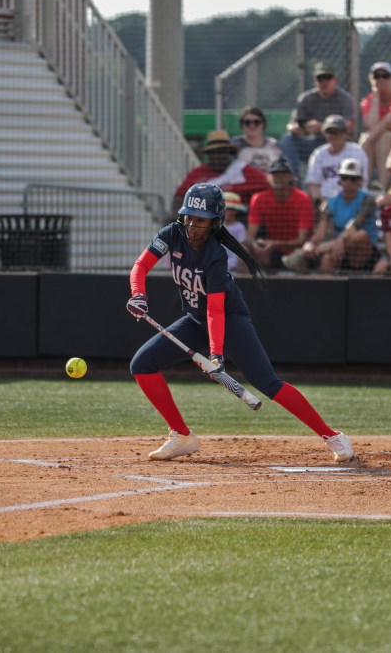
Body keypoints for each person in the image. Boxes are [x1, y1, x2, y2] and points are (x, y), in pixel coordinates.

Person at [126, 183, 354, 462]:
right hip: (195, 320)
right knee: (142, 364)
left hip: (229, 321)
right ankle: (181, 435)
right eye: (188, 218)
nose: (192, 226)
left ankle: (333, 436)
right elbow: (141, 266)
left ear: (215, 222)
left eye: (200, 220)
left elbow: (216, 310)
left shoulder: (216, 256)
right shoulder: (171, 234)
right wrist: (138, 294)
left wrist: (216, 354)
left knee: (267, 383)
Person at [284, 158, 378, 274]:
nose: (348, 182)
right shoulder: (330, 203)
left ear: (360, 181)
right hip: (339, 250)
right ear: (340, 181)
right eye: (345, 178)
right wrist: (310, 245)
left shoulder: (368, 200)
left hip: (364, 253)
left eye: (353, 178)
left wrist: (336, 241)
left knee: (361, 235)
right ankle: (325, 289)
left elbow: (355, 224)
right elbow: (320, 234)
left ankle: (313, 252)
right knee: (327, 258)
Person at [279, 62, 357, 182]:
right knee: (288, 139)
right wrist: (303, 128)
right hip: (312, 143)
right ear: (315, 81)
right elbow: (291, 125)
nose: (324, 82)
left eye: (328, 77)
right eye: (320, 78)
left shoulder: (345, 98)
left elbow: (350, 125)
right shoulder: (306, 98)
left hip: (337, 143)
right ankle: (293, 181)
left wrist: (323, 127)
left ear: (335, 79)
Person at [173, 130, 269, 213]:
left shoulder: (243, 171)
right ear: (209, 155)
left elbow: (268, 187)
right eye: (214, 153)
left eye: (222, 152)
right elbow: (179, 197)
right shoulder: (198, 173)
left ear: (229, 153)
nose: (218, 157)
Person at [246, 158, 315, 271]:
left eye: (283, 174)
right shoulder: (258, 199)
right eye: (275, 174)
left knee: (301, 256)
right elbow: (250, 236)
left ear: (291, 177)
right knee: (245, 250)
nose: (278, 178)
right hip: (270, 251)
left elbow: (302, 239)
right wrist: (255, 245)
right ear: (268, 177)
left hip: (298, 250)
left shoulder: (304, 199)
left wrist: (274, 244)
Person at [305, 114, 369, 208]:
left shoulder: (357, 152)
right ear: (324, 134)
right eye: (330, 132)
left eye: (337, 132)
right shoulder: (318, 154)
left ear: (345, 133)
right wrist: (323, 203)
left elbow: (362, 182)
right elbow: (313, 184)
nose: (333, 135)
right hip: (325, 203)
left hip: (352, 202)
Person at [230, 105, 282, 174]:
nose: (252, 126)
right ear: (242, 125)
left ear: (263, 124)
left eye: (256, 122)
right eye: (247, 122)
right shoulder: (235, 145)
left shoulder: (273, 145)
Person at [221, 192, 248, 274]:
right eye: (226, 209)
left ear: (236, 211)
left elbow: (243, 247)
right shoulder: (215, 225)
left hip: (233, 265)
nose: (228, 212)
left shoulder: (239, 227)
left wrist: (241, 265)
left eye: (231, 209)